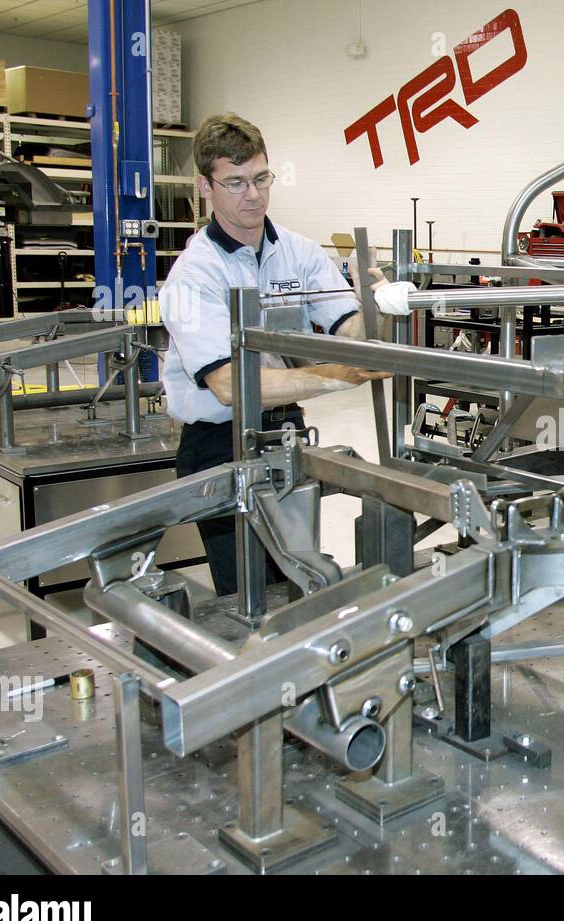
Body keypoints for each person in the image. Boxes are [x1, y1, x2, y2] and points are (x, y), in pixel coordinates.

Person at [159, 112, 413, 597]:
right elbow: (230, 385)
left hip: (285, 432)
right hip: (218, 443)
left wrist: (379, 304)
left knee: (295, 578)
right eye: (235, 183)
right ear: (205, 187)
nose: (252, 195)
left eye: (260, 178)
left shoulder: (298, 252)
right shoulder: (195, 274)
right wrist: (337, 376)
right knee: (247, 593)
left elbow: (352, 329)